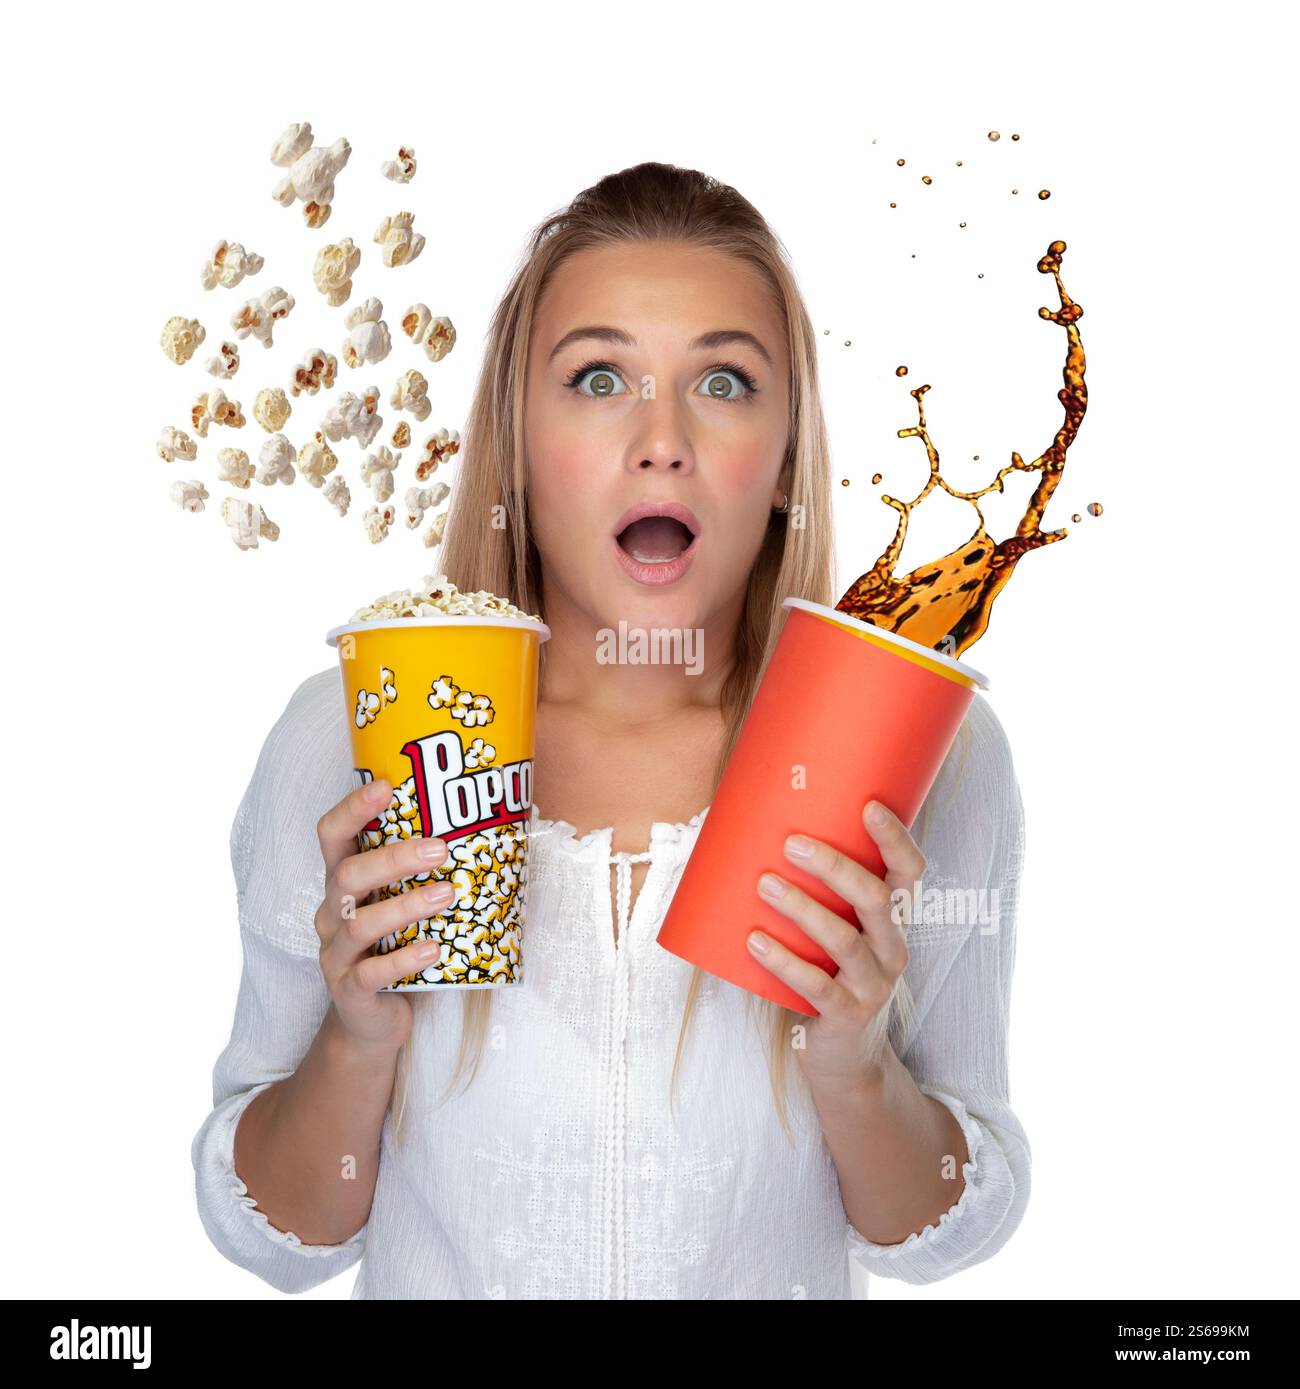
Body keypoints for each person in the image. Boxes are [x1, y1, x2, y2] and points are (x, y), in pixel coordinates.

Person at [191, 161, 1031, 1298]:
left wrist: (851, 1065)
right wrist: (357, 1039)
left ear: (785, 459)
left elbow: (945, 1231)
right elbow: (274, 1236)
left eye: (724, 382)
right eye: (597, 377)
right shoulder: (351, 731)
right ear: (519, 445)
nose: (661, 439)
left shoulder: (927, 757)